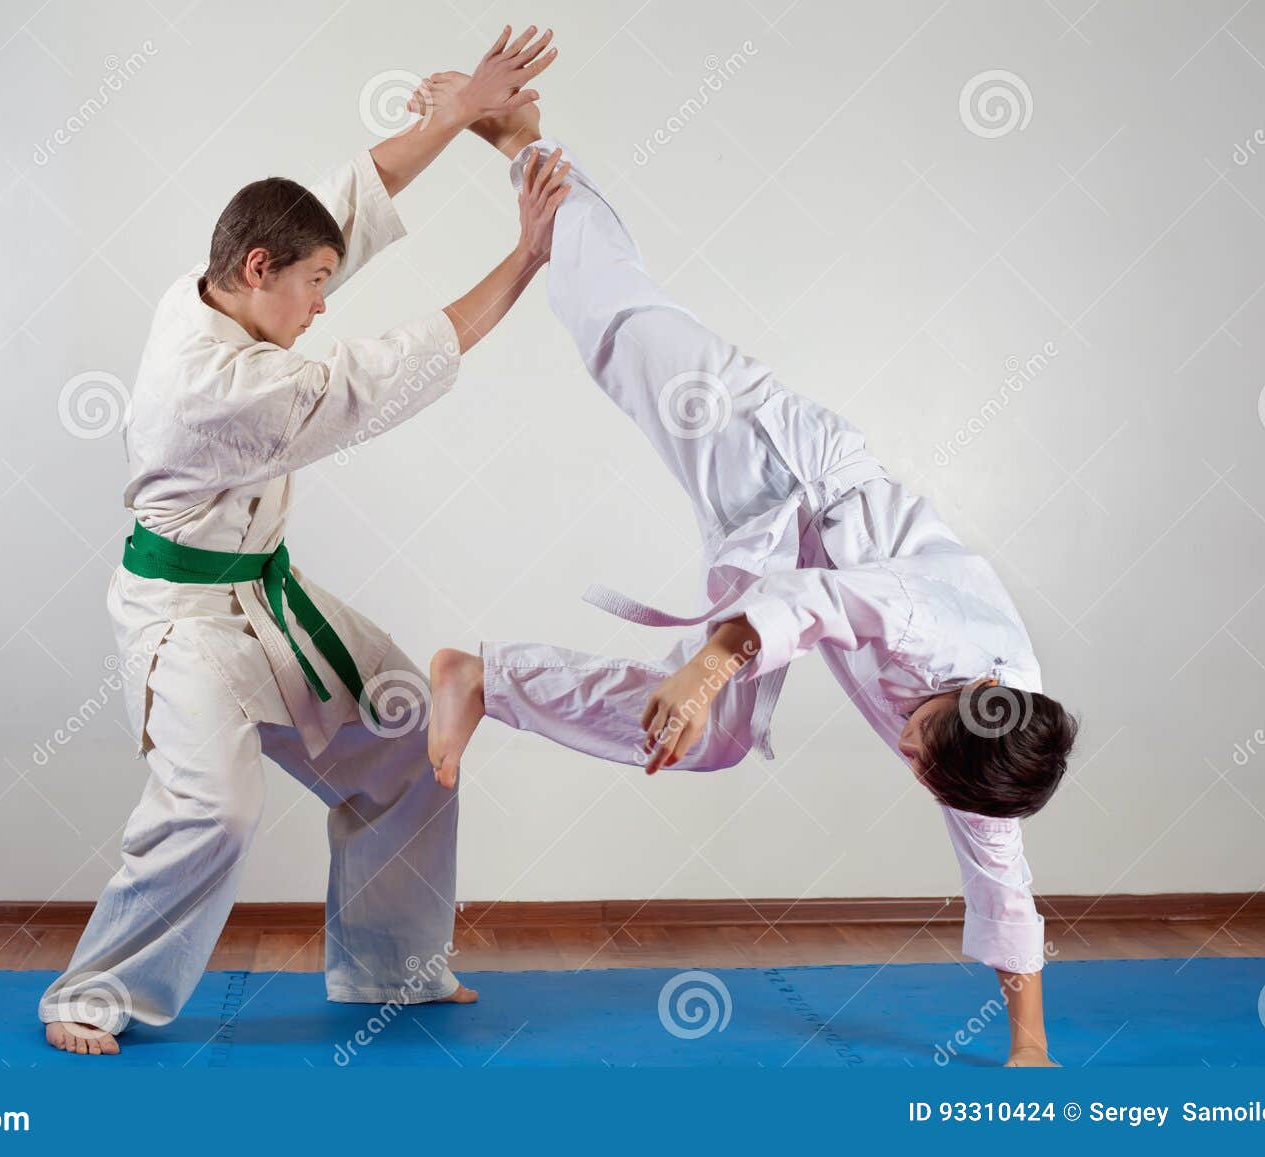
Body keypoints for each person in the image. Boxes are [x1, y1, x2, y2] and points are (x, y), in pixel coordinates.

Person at [413, 80, 1079, 1068]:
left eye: (919, 767)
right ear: (972, 692)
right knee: (618, 326)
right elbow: (819, 600)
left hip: (765, 549)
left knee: (706, 741)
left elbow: (1000, 878)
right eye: (920, 742)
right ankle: (522, 142)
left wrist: (1028, 1045)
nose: (903, 750)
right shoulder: (943, 630)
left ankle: (482, 677)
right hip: (786, 470)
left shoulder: (984, 757)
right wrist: (704, 668)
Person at [37, 27, 571, 1056]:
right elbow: (387, 370)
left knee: (415, 742)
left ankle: (390, 965)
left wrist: (453, 118)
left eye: (326, 279)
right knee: (213, 814)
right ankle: (91, 990)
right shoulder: (224, 389)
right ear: (256, 267)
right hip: (184, 626)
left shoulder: (209, 294)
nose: (324, 301)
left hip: (265, 598)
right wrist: (526, 256)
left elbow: (345, 202)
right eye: (314, 282)